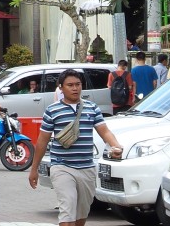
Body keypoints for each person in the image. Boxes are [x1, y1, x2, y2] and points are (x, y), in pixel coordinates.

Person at [28, 69, 124, 226]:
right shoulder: (52, 110)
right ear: (61, 87)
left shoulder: (92, 108)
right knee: (67, 210)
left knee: (81, 215)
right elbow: (42, 141)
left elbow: (105, 131)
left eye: (78, 84)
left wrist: (116, 146)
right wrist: (34, 169)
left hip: (87, 168)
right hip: (62, 167)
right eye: (70, 85)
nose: (75, 88)